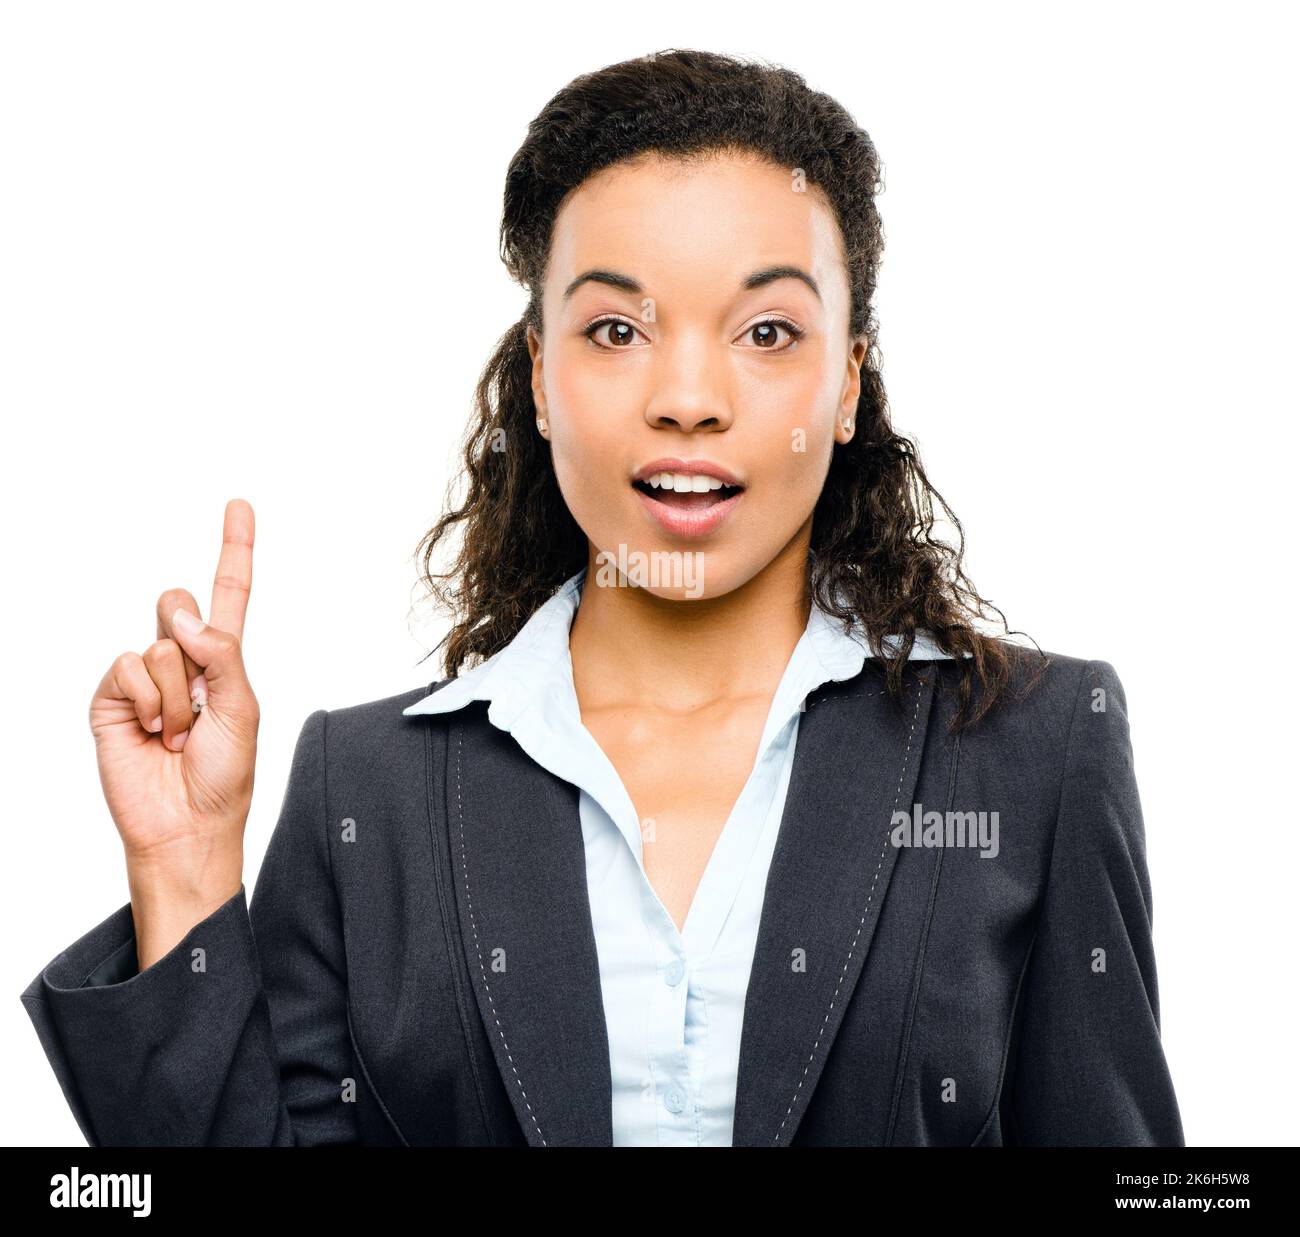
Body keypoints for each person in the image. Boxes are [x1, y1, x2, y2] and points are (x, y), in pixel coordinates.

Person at [20, 48, 1184, 1147]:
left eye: (768, 329)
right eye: (616, 329)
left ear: (846, 385)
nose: (687, 395)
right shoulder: (364, 786)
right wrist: (183, 869)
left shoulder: (1031, 752)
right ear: (538, 374)